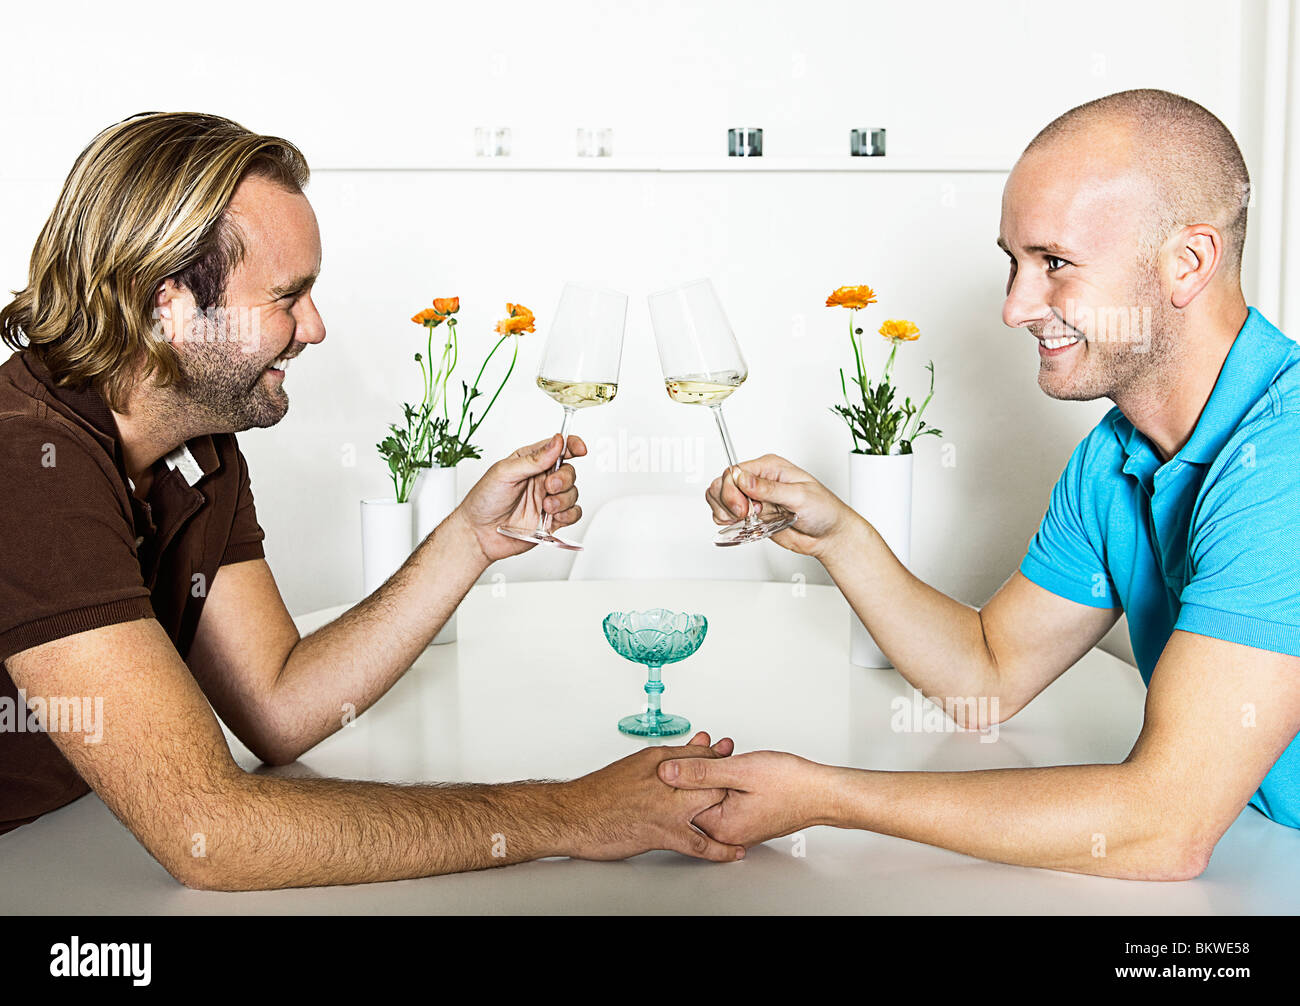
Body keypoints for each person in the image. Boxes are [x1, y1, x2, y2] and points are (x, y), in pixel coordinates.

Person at [0, 112, 744, 889]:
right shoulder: (27, 464)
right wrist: (573, 815)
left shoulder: (200, 445)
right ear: (170, 307)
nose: (315, 328)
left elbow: (278, 708)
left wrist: (470, 540)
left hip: (63, 850)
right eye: (288, 296)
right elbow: (209, 834)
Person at [668, 89, 1300, 881]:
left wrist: (828, 797)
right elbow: (988, 676)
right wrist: (842, 538)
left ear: (1189, 262)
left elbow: (1164, 827)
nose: (1014, 307)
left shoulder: (1283, 462)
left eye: (1055, 264)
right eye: (1013, 261)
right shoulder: (1114, 460)